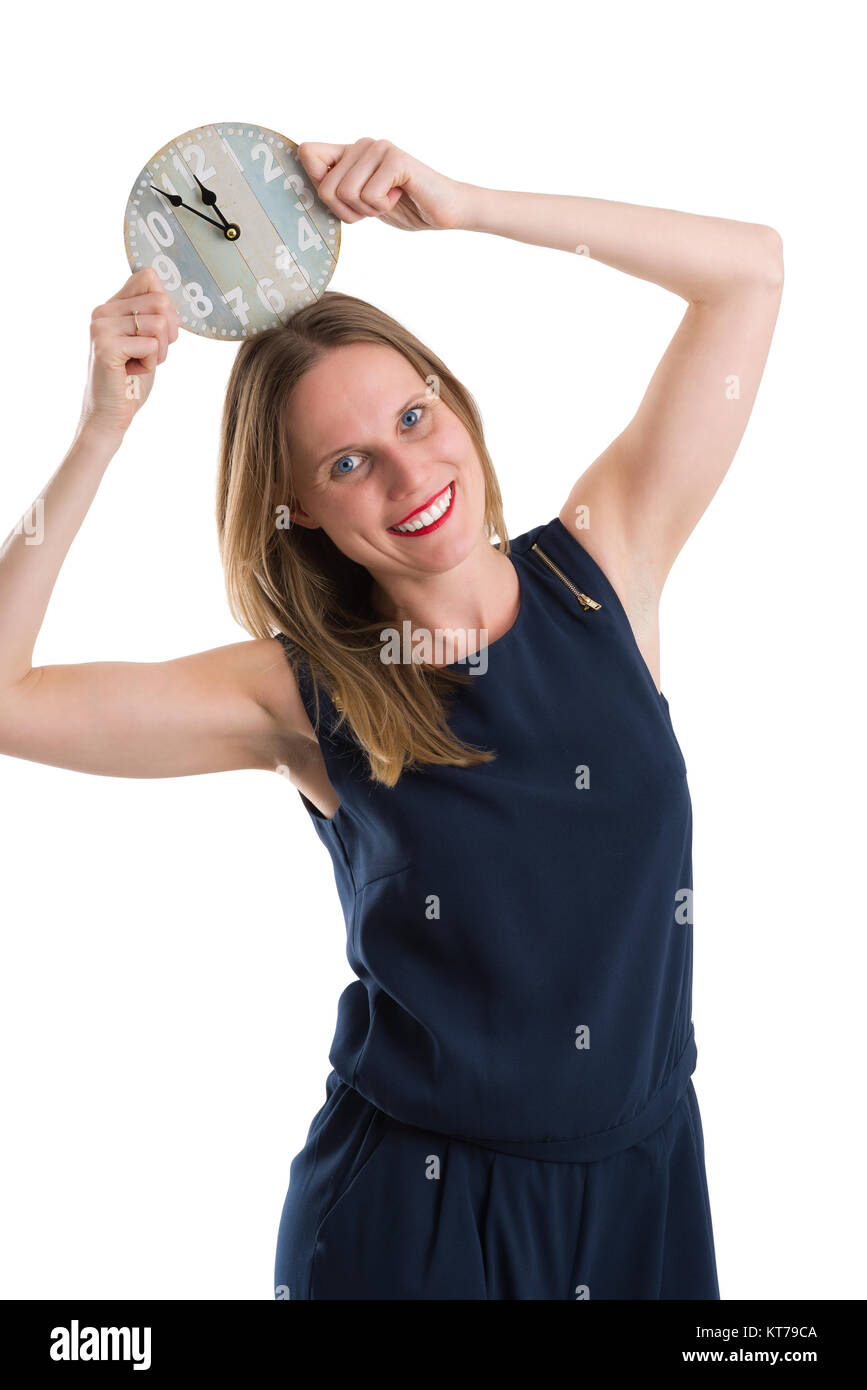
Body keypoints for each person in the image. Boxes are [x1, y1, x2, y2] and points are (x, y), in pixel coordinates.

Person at [0, 138, 783, 1300]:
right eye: (350, 461)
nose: (411, 478)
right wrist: (99, 431)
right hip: (418, 1227)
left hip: (647, 1183)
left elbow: (751, 272)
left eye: (415, 416)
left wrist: (468, 206)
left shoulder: (607, 562)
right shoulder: (296, 693)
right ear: (299, 510)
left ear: (450, 396)